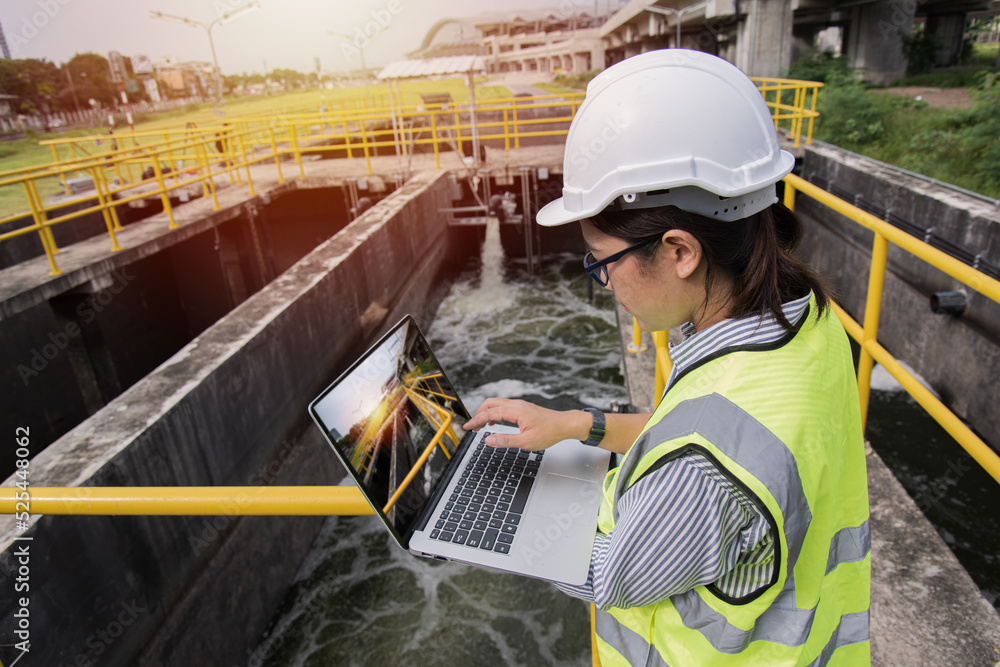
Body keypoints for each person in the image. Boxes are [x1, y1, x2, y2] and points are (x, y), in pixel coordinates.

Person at [463, 49, 871, 666]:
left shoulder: (707, 462)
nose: (605, 284)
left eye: (603, 262)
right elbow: (714, 436)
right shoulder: (805, 321)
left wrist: (475, 514)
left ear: (680, 250)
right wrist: (578, 425)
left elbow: (608, 573)